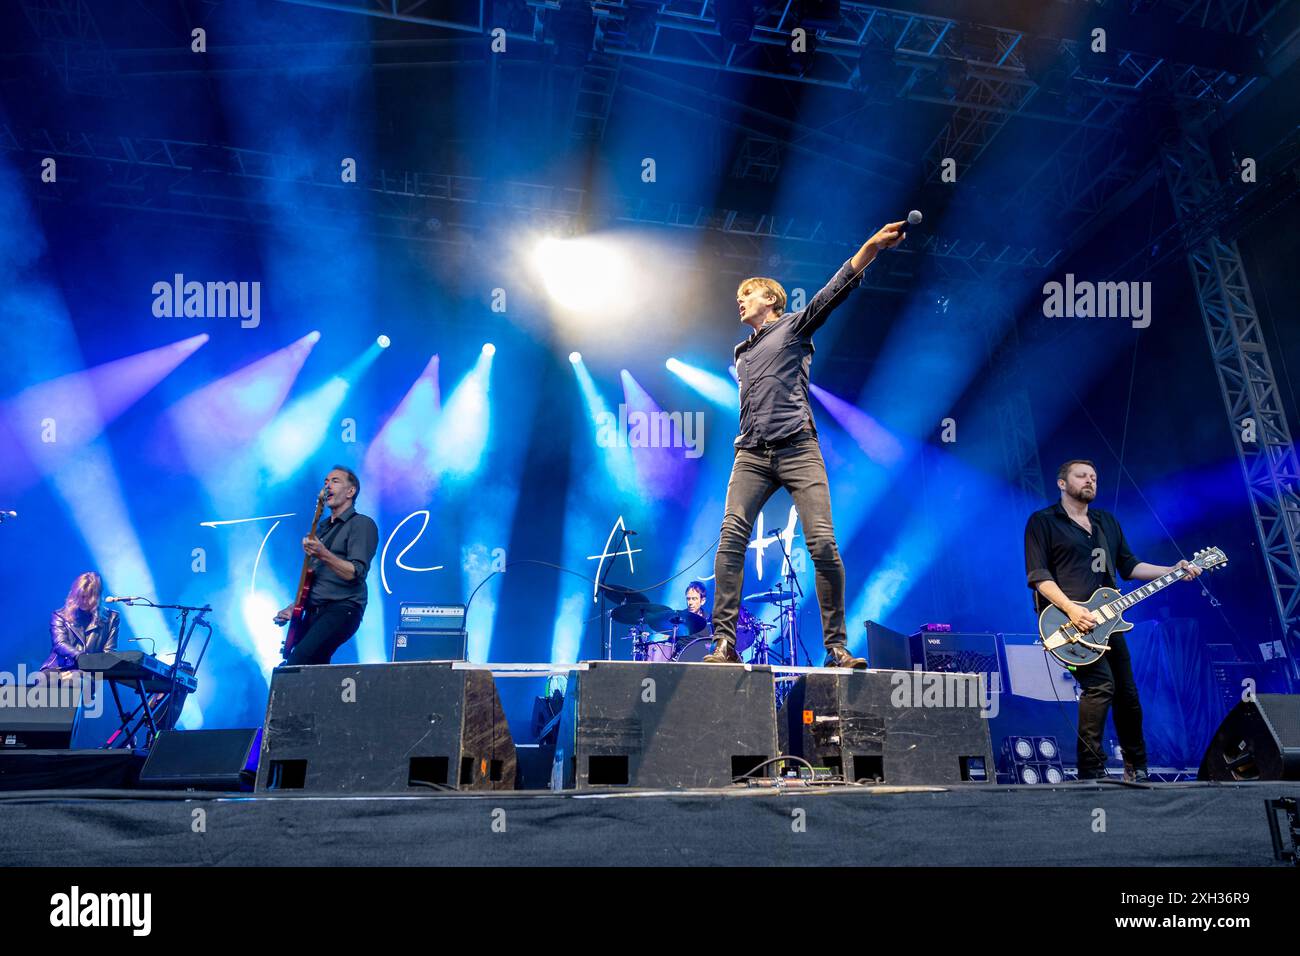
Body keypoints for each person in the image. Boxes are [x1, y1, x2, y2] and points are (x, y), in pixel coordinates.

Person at [703, 221, 908, 666]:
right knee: (730, 539)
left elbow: (835, 291)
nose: (739, 299)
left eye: (748, 293)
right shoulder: (741, 354)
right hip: (751, 455)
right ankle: (723, 642)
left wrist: (870, 246)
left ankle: (836, 647)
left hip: (798, 448)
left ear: (771, 300)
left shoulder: (795, 327)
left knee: (822, 544)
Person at [1024, 459, 1202, 781]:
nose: (1090, 481)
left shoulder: (1106, 521)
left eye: (1094, 476)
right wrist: (1073, 610)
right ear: (1062, 483)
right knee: (1100, 686)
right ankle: (1091, 772)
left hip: (1108, 620)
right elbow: (1039, 577)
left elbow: (1129, 566)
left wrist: (1173, 570)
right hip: (1068, 623)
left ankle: (1137, 766)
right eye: (1082, 476)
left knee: (1128, 694)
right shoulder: (1043, 522)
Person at [275, 465, 379, 665]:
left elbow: (355, 573)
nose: (327, 486)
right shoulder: (322, 529)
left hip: (342, 608)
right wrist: (294, 607)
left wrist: (323, 553)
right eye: (325, 482)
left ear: (351, 491)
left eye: (335, 481)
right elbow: (315, 580)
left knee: (298, 663)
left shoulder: (361, 524)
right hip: (315, 612)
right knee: (311, 670)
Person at [41, 571, 118, 672]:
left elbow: (109, 652)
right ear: (74, 595)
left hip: (88, 672)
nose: (85, 601)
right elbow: (60, 644)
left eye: (89, 597)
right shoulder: (60, 616)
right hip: (58, 668)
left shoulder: (111, 618)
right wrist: (83, 658)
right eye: (82, 596)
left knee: (80, 681)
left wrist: (90, 666)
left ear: (98, 597)